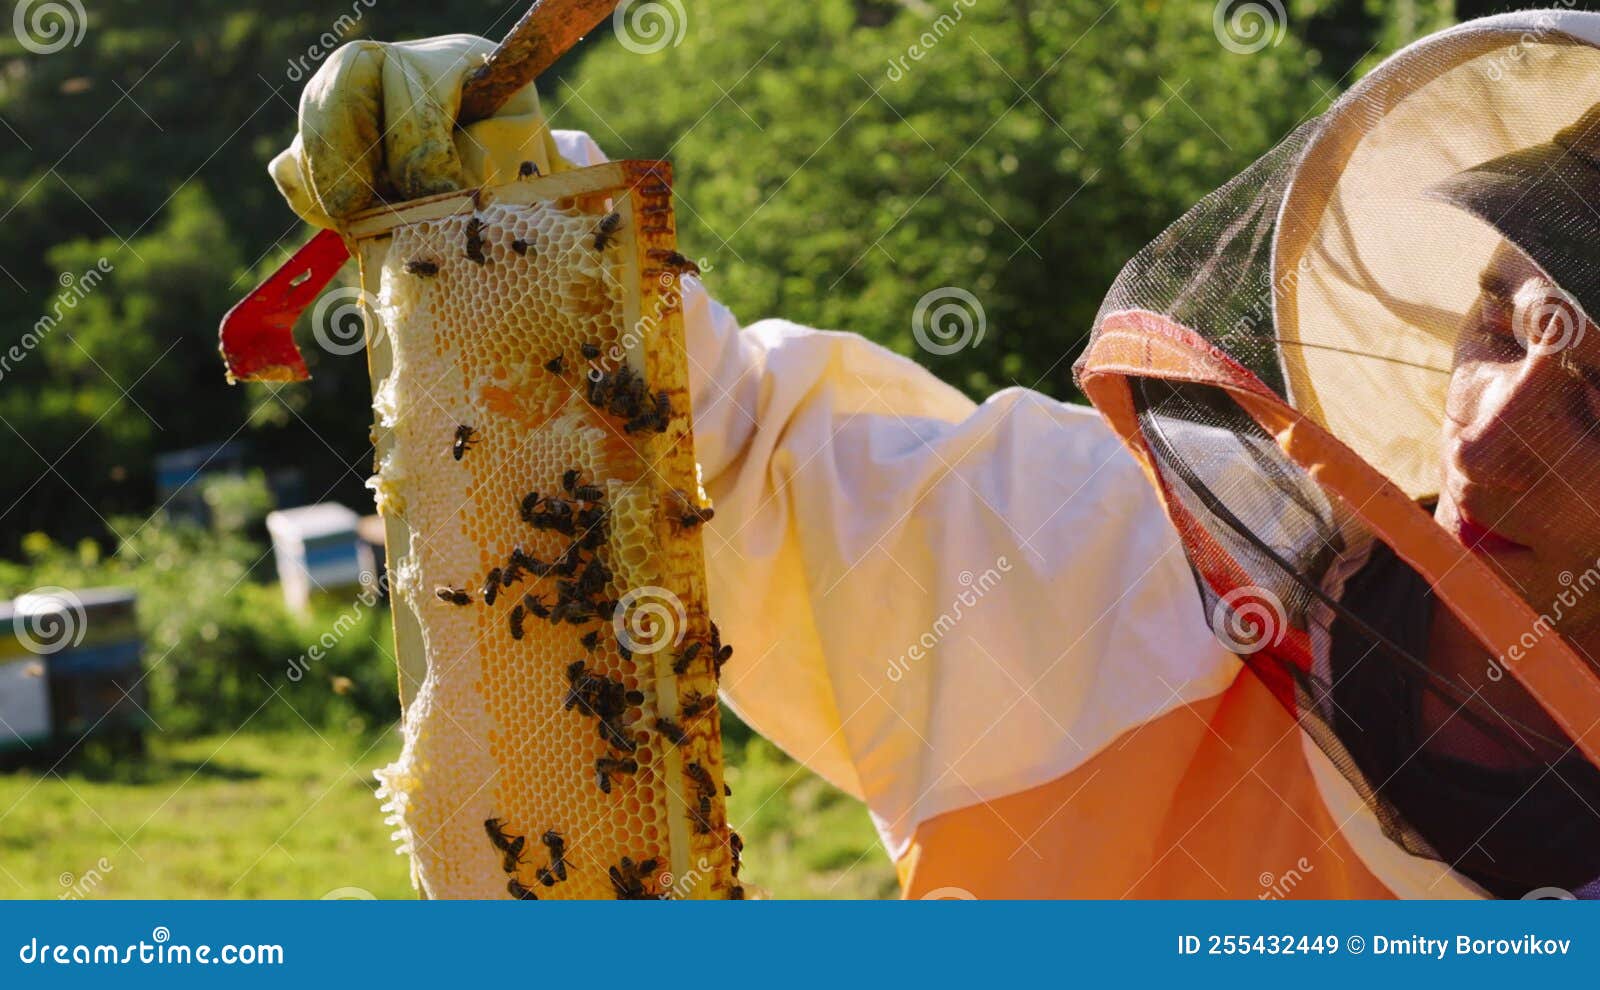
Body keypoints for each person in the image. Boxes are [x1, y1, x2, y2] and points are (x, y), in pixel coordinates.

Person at [271, 11, 1600, 898]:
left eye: (1598, 404)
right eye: (1502, 317)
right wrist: (515, 218)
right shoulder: (1116, 579)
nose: (1486, 435)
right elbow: (723, 462)